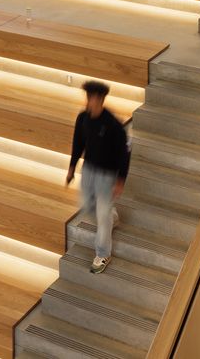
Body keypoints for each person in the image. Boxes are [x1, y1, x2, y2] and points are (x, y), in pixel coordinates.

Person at [66, 79, 128, 274]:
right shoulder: (83, 118)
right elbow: (78, 143)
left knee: (102, 215)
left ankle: (102, 254)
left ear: (100, 99)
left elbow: (124, 153)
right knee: (88, 207)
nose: (88, 101)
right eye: (87, 97)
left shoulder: (113, 125)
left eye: (92, 98)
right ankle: (112, 217)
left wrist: (120, 180)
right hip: (89, 171)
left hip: (107, 175)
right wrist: (72, 167)